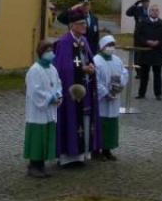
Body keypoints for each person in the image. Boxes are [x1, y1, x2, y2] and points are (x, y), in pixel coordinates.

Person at [54, 10, 99, 166]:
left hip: (85, 87)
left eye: (85, 23)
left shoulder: (84, 41)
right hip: (71, 90)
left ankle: (81, 154)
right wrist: (82, 69)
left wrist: (92, 67)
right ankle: (67, 156)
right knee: (71, 118)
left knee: (85, 120)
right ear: (72, 25)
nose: (84, 26)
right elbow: (63, 68)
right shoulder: (64, 42)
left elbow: (89, 58)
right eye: (81, 24)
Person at [23, 40, 63, 178]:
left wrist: (58, 95)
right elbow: (35, 91)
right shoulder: (34, 70)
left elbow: (58, 84)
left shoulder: (52, 69)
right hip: (37, 111)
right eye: (48, 51)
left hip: (49, 109)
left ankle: (41, 164)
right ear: (41, 53)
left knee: (46, 136)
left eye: (52, 51)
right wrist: (50, 98)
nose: (51, 54)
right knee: (37, 137)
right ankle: (34, 164)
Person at [93, 34, 128, 161]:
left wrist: (120, 86)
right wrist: (105, 93)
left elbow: (124, 73)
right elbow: (95, 80)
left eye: (113, 45)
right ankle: (96, 150)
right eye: (109, 45)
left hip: (114, 97)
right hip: (102, 99)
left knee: (112, 124)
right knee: (101, 124)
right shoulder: (96, 60)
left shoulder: (117, 60)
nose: (111, 48)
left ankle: (108, 149)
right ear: (102, 47)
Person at [133, 3, 162, 101]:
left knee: (157, 74)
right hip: (145, 52)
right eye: (153, 10)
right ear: (149, 12)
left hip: (158, 52)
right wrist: (146, 42)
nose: (155, 12)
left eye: (157, 10)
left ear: (159, 12)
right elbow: (137, 35)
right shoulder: (143, 23)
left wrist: (159, 43)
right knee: (144, 74)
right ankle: (141, 93)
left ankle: (158, 94)